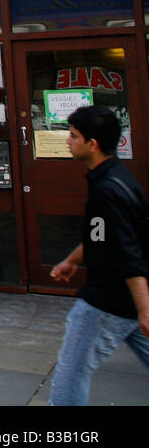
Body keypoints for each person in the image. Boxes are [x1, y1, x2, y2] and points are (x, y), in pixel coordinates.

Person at [48, 105, 149, 405]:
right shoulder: (118, 178)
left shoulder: (107, 190)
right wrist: (73, 261)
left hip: (106, 302)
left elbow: (128, 252)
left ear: (92, 144)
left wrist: (145, 310)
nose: (68, 141)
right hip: (126, 301)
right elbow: (100, 235)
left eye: (73, 136)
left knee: (70, 374)